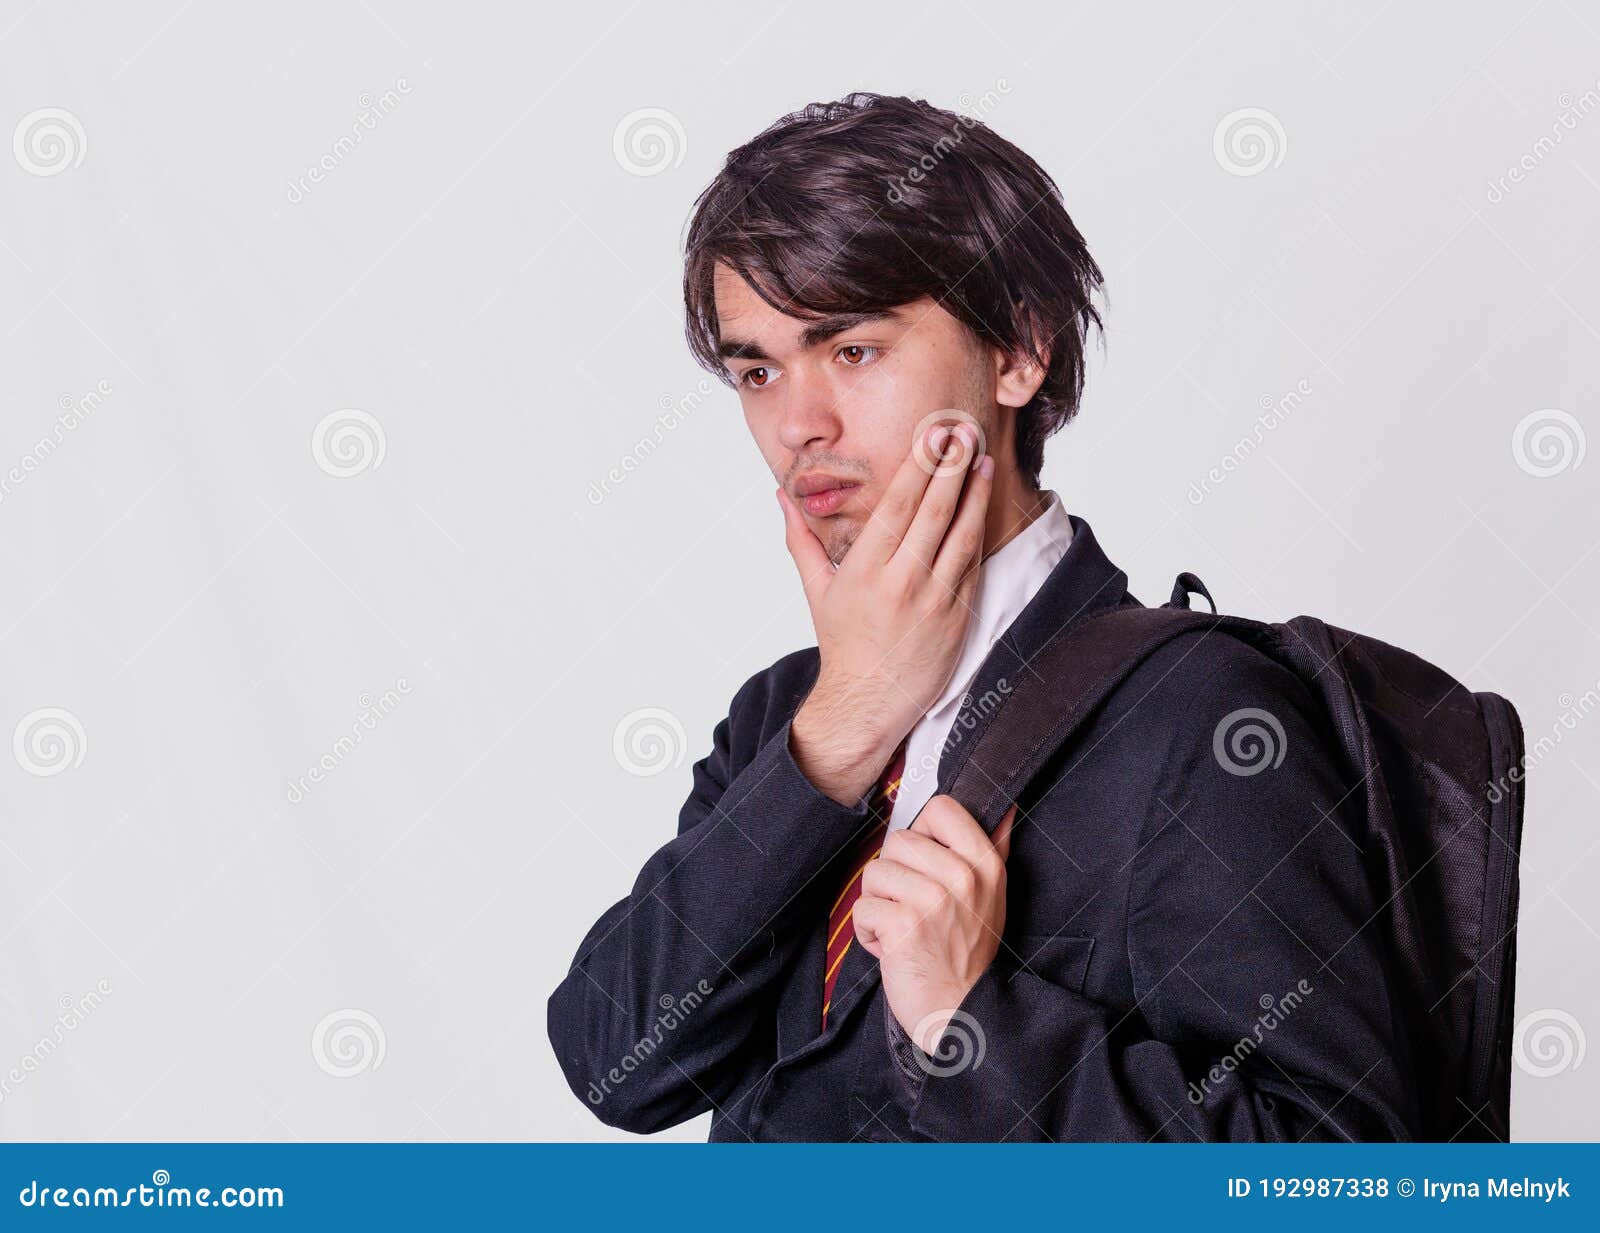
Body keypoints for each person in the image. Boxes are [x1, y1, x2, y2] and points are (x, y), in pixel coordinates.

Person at [547, 93, 1417, 1142]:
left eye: (853, 350)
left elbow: (1348, 1174)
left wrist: (970, 1022)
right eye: (757, 370)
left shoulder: (1199, 717)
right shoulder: (793, 714)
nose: (797, 425)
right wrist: (842, 729)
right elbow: (617, 1066)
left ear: (1018, 354)